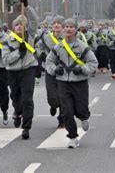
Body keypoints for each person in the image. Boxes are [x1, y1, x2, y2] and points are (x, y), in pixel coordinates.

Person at [45, 18, 98, 149]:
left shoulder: (82, 46)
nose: (68, 29)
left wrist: (82, 69)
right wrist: (55, 70)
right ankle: (73, 137)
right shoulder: (59, 47)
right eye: (66, 27)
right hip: (63, 83)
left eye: (71, 27)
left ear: (76, 30)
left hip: (79, 83)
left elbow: (93, 63)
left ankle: (84, 117)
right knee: (66, 112)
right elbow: (49, 62)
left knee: (81, 109)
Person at [2, 0, 39, 140]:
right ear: (13, 27)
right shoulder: (7, 41)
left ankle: (26, 127)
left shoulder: (29, 36)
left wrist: (27, 7)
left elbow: (35, 20)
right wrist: (19, 52)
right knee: (16, 98)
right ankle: (17, 112)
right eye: (17, 25)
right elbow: (6, 60)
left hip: (28, 70)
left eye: (22, 24)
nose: (19, 26)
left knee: (27, 99)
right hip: (13, 72)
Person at [36, 15, 65, 128]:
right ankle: (53, 105)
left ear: (63, 26)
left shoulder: (68, 38)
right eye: (54, 23)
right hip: (50, 70)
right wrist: (40, 54)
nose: (56, 25)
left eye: (59, 23)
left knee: (63, 96)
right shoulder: (46, 37)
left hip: (64, 71)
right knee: (52, 96)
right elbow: (38, 47)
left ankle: (62, 120)